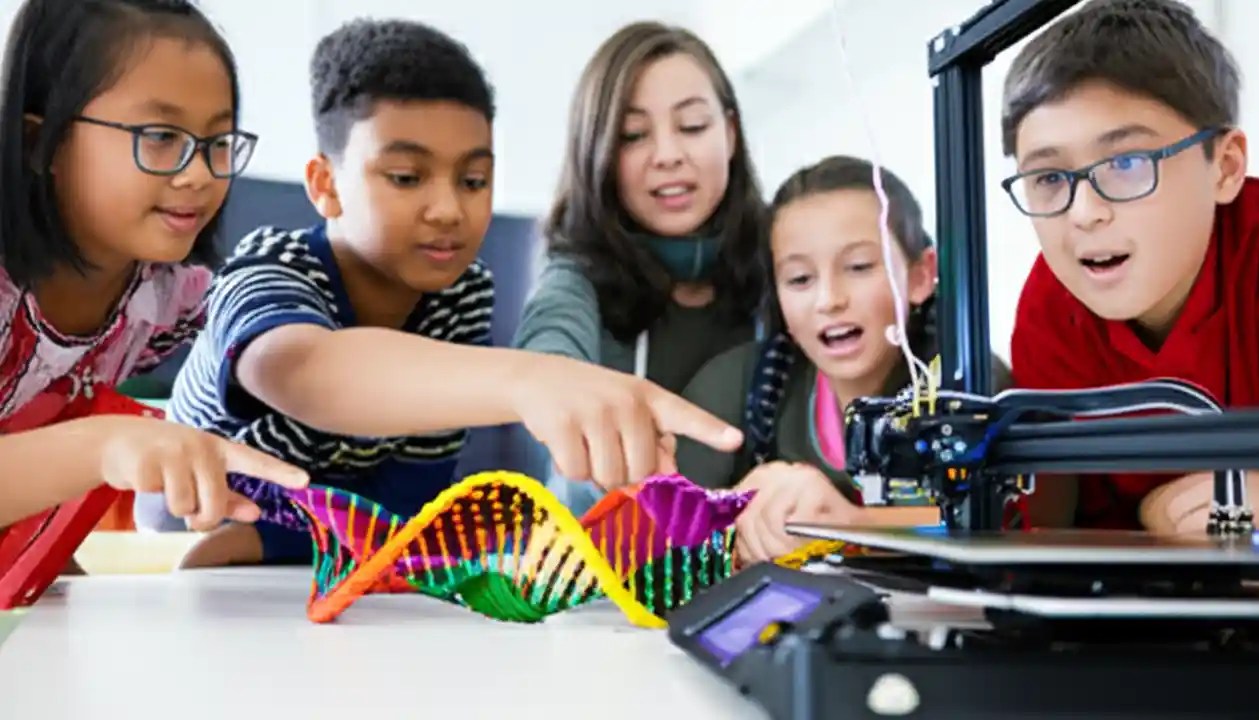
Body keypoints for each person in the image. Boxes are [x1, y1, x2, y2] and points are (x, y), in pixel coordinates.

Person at [154, 18, 742, 568]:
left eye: (473, 181)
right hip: (178, 542)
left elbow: (407, 508)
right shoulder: (268, 268)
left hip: (313, 558)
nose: (448, 210)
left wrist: (281, 540)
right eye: (407, 178)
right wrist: (532, 379)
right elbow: (301, 372)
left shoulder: (461, 295)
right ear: (325, 184)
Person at [0, 0, 308, 605]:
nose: (198, 173)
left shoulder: (165, 297)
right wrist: (106, 447)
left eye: (217, 141)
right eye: (161, 137)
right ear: (42, 144)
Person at [1004, 0, 1259, 533]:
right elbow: (1052, 533)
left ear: (1224, 168)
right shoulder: (1049, 310)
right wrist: (1159, 516)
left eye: (1127, 164)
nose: (1085, 213)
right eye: (1050, 179)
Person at [677, 156, 1012, 563]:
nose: (829, 300)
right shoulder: (736, 387)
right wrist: (732, 521)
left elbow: (1006, 528)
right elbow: (660, 536)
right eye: (800, 279)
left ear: (921, 276)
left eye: (858, 267)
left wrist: (850, 524)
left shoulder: (972, 385)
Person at [513, 22, 767, 515]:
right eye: (633, 135)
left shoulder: (783, 252)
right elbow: (546, 354)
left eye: (692, 126)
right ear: (599, 154)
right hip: (611, 559)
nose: (669, 155)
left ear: (730, 134)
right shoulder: (574, 271)